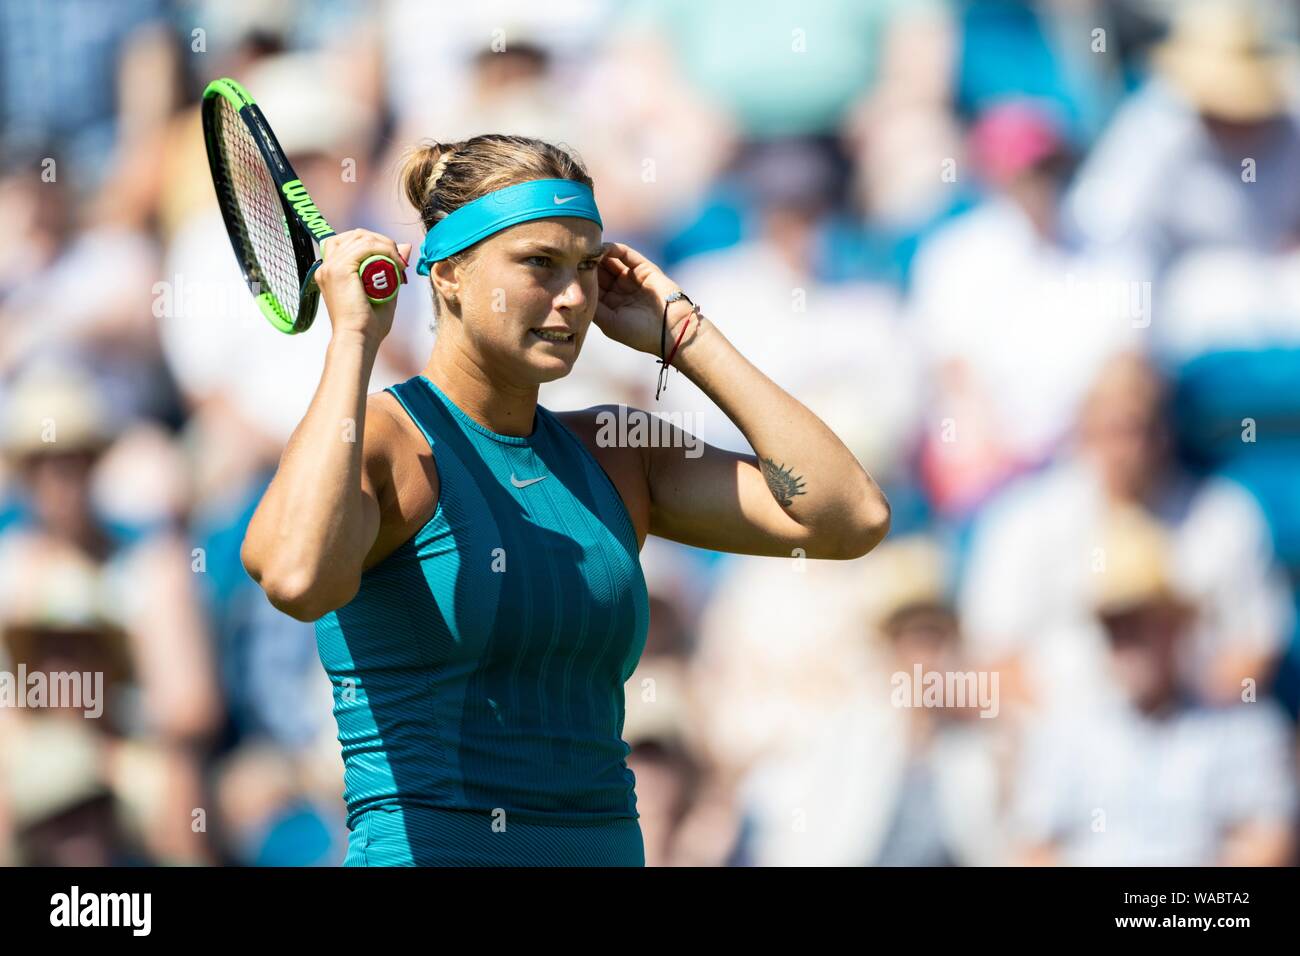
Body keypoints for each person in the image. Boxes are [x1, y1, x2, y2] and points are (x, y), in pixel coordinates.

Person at [239, 133, 891, 866]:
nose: (575, 297)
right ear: (448, 274)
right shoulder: (392, 439)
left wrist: (684, 333)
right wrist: (353, 339)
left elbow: (848, 516)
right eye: (540, 265)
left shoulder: (616, 453)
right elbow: (295, 575)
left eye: (588, 265)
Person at [1010, 502, 1297, 866]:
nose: (1127, 643)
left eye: (1141, 623)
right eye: (1115, 628)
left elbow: (1267, 843)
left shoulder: (1243, 726)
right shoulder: (1066, 728)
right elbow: (1032, 849)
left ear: (1176, 628)